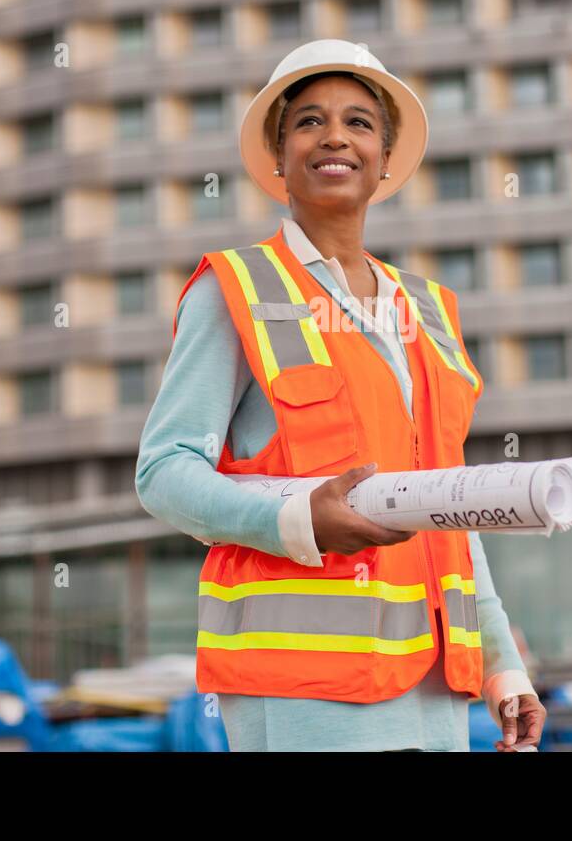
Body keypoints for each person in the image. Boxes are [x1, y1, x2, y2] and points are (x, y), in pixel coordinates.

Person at [135, 39, 545, 751]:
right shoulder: (237, 289)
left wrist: (503, 665)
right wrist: (301, 518)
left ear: (385, 159)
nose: (334, 137)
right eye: (308, 121)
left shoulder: (427, 311)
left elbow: (451, 509)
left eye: (359, 123)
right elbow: (164, 473)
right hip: (304, 693)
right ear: (278, 154)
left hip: (434, 689)